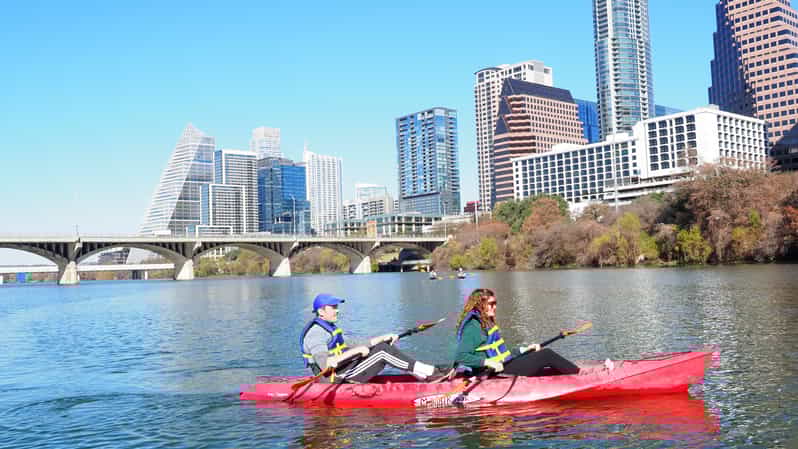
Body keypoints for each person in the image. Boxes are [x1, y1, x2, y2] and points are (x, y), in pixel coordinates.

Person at [300, 293, 445, 383]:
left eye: (336, 306)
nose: (337, 310)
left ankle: (423, 375)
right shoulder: (315, 334)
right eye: (333, 307)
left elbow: (358, 343)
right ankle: (431, 372)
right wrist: (356, 352)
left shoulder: (330, 328)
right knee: (382, 352)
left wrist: (384, 337)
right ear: (321, 311)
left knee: (383, 345)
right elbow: (326, 365)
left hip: (343, 369)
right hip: (334, 378)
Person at [454, 288, 580, 376]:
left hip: (503, 365)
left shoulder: (486, 322)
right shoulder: (473, 327)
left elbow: (500, 351)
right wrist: (488, 362)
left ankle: (573, 373)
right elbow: (461, 356)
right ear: (480, 305)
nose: (495, 307)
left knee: (539, 353)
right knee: (546, 355)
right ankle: (579, 376)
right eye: (491, 304)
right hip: (492, 372)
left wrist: (524, 350)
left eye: (495, 303)